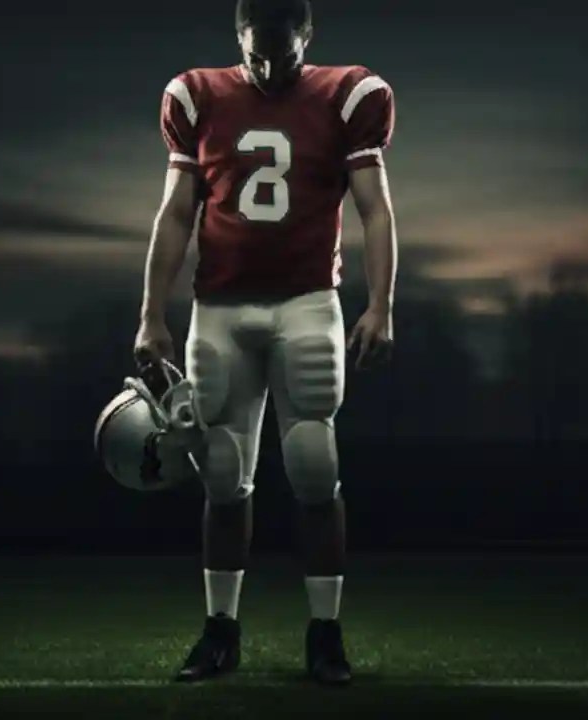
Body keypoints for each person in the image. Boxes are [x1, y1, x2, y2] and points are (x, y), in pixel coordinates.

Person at [132, 0, 397, 686]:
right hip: (219, 306)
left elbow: (375, 208)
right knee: (222, 474)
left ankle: (325, 634)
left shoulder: (347, 96)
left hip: (307, 302)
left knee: (313, 463)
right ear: (238, 37)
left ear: (307, 34)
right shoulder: (197, 96)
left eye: (283, 50)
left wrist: (382, 303)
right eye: (256, 52)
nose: (270, 65)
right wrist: (150, 313)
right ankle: (221, 632)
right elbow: (176, 213)